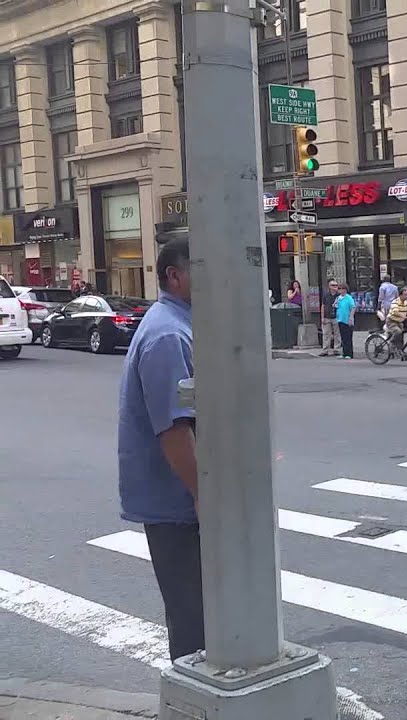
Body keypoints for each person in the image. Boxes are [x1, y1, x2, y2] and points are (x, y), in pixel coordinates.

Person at [116, 239, 202, 660]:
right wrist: (204, 496)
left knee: (197, 612)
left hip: (178, 500)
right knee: (194, 619)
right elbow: (174, 428)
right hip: (178, 505)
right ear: (175, 275)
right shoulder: (168, 335)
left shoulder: (176, 325)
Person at [335, 282, 356, 359]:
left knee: (348, 337)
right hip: (340, 319)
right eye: (339, 289)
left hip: (347, 319)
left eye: (342, 289)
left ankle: (349, 353)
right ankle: (344, 353)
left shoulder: (349, 298)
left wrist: (351, 318)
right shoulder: (339, 298)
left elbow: (353, 307)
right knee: (343, 337)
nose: (341, 290)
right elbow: (336, 306)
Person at [319, 279, 339, 356]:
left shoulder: (339, 296)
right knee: (326, 334)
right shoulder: (326, 295)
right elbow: (323, 306)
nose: (335, 287)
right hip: (327, 317)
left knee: (337, 334)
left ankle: (336, 349)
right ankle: (325, 350)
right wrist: (322, 317)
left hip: (336, 316)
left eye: (336, 285)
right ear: (329, 287)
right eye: (333, 285)